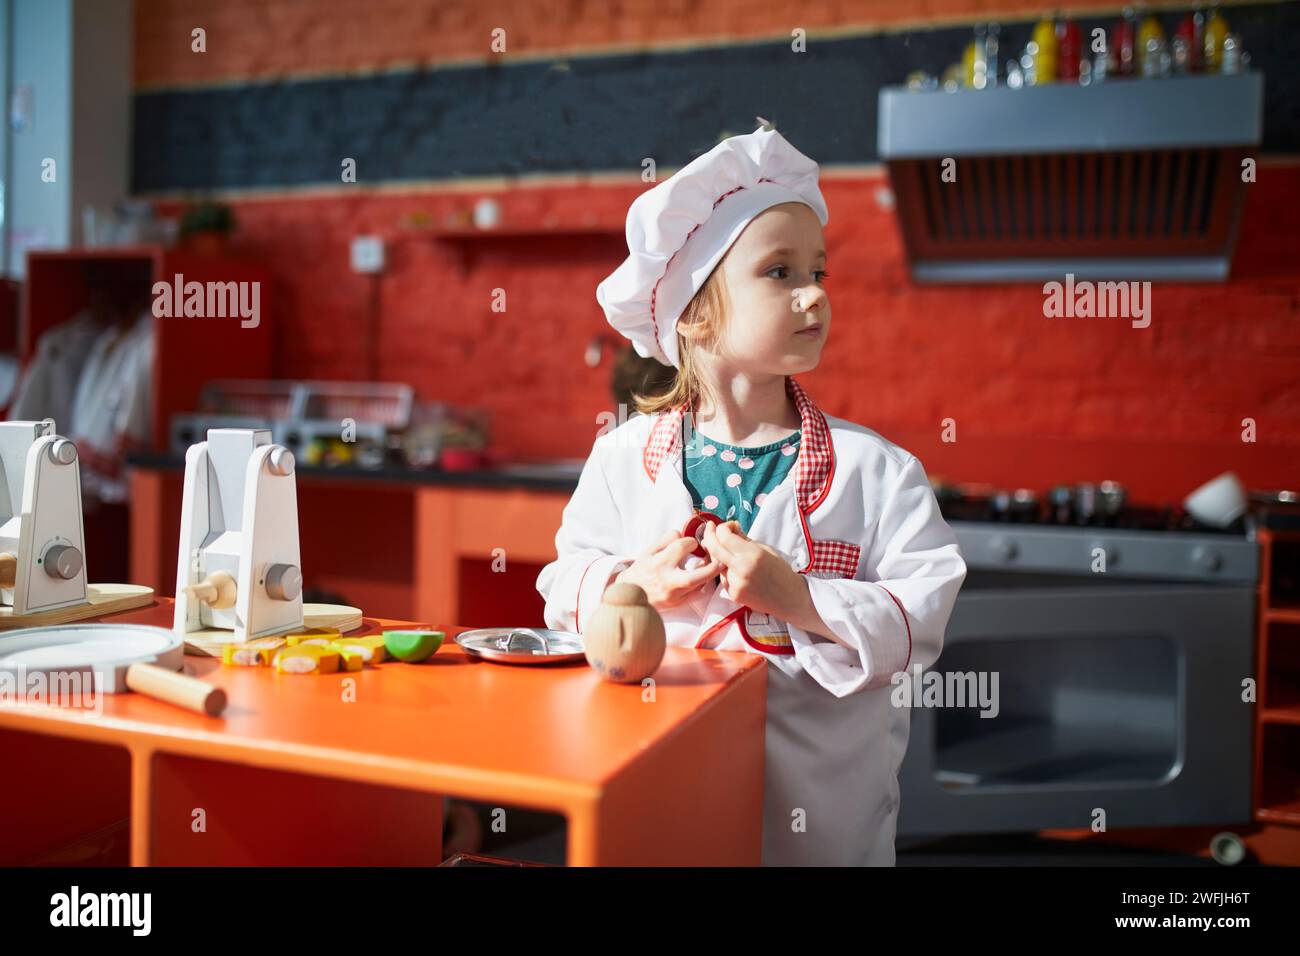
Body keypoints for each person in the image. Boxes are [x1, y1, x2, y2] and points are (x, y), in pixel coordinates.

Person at [535, 123, 967, 866]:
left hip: (821, 811)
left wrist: (796, 596)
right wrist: (631, 584)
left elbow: (921, 615)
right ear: (697, 312)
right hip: (663, 781)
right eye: (780, 272)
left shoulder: (879, 471)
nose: (813, 296)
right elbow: (561, 582)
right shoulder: (622, 457)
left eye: (819, 273)